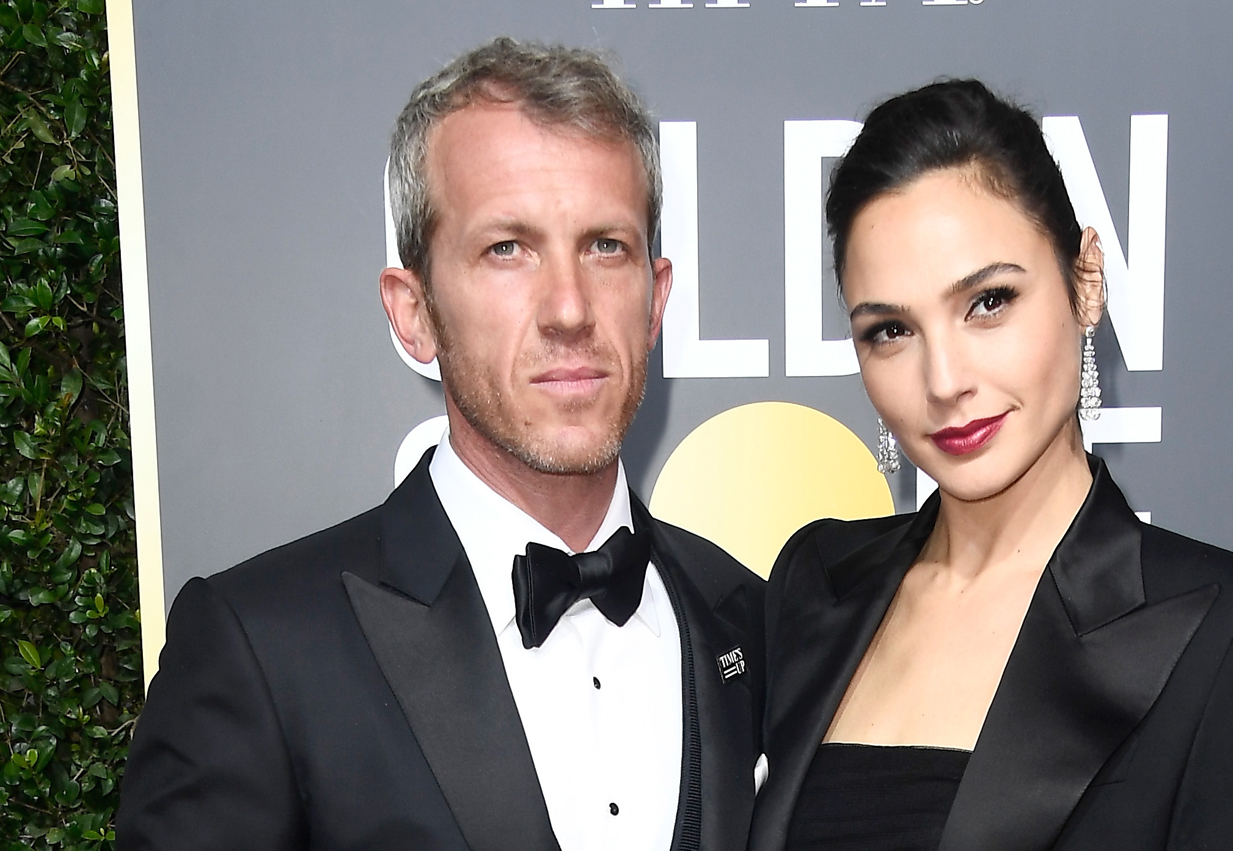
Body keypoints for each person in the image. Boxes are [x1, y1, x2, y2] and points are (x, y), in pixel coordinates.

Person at [118, 37, 765, 851]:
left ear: (656, 298)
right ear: (413, 312)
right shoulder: (262, 647)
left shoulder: (750, 616)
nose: (569, 309)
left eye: (607, 246)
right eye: (508, 249)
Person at [748, 80, 1233, 851]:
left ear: (1085, 281)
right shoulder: (814, 582)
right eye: (890, 330)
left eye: (988, 302)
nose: (944, 380)